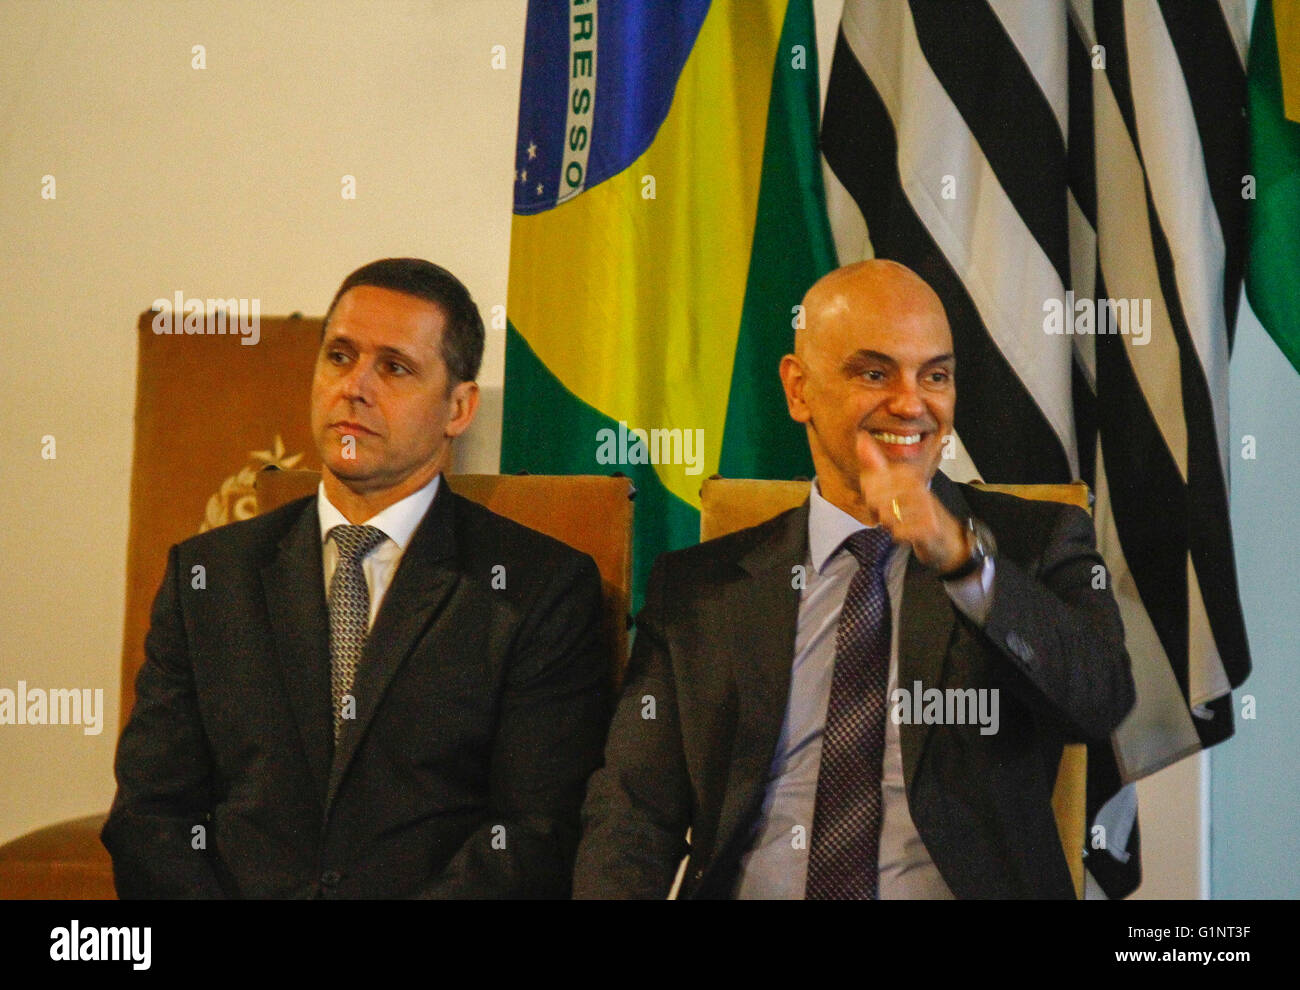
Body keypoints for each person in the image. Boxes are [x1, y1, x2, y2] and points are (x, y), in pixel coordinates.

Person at [573, 259, 1136, 899]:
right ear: (798, 389)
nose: (911, 403)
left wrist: (961, 560)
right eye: (875, 373)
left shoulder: (1032, 544)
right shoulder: (701, 590)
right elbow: (631, 816)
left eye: (936, 376)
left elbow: (1100, 699)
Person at [103, 258, 608, 898]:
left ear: (459, 407)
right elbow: (151, 815)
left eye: (394, 368)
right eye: (339, 357)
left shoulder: (538, 590)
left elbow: (534, 833)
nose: (355, 387)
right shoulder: (209, 577)